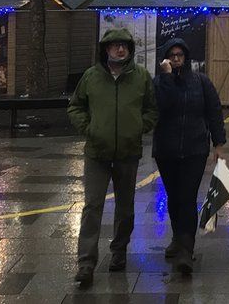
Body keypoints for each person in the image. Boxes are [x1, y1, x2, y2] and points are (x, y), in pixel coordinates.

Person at [68, 28, 158, 286]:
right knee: (92, 207)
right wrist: (89, 129)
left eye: (124, 45)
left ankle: (119, 250)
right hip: (97, 153)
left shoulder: (140, 77)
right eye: (115, 45)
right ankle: (86, 262)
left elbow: (152, 109)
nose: (120, 49)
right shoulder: (91, 77)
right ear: (105, 49)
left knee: (125, 207)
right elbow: (76, 106)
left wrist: (138, 128)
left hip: (128, 154)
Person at [153, 38, 225, 274]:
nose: (176, 59)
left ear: (186, 57)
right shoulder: (160, 82)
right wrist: (166, 78)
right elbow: (161, 106)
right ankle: (177, 237)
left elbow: (214, 111)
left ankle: (186, 249)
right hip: (167, 150)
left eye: (179, 55)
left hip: (194, 150)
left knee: (187, 197)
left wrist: (219, 144)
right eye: (171, 55)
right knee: (174, 198)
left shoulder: (201, 82)